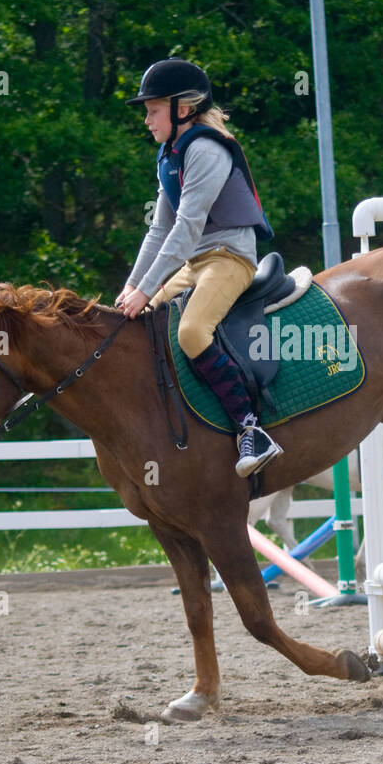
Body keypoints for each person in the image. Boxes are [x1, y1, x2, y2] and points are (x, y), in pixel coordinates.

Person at [114, 58, 283, 477]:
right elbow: (159, 231)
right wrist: (133, 286)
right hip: (194, 264)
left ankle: (251, 429)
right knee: (142, 321)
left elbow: (187, 230)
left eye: (153, 110)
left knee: (191, 331)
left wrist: (147, 287)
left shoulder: (205, 150)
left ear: (182, 109)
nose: (148, 120)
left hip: (229, 258)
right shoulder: (170, 154)